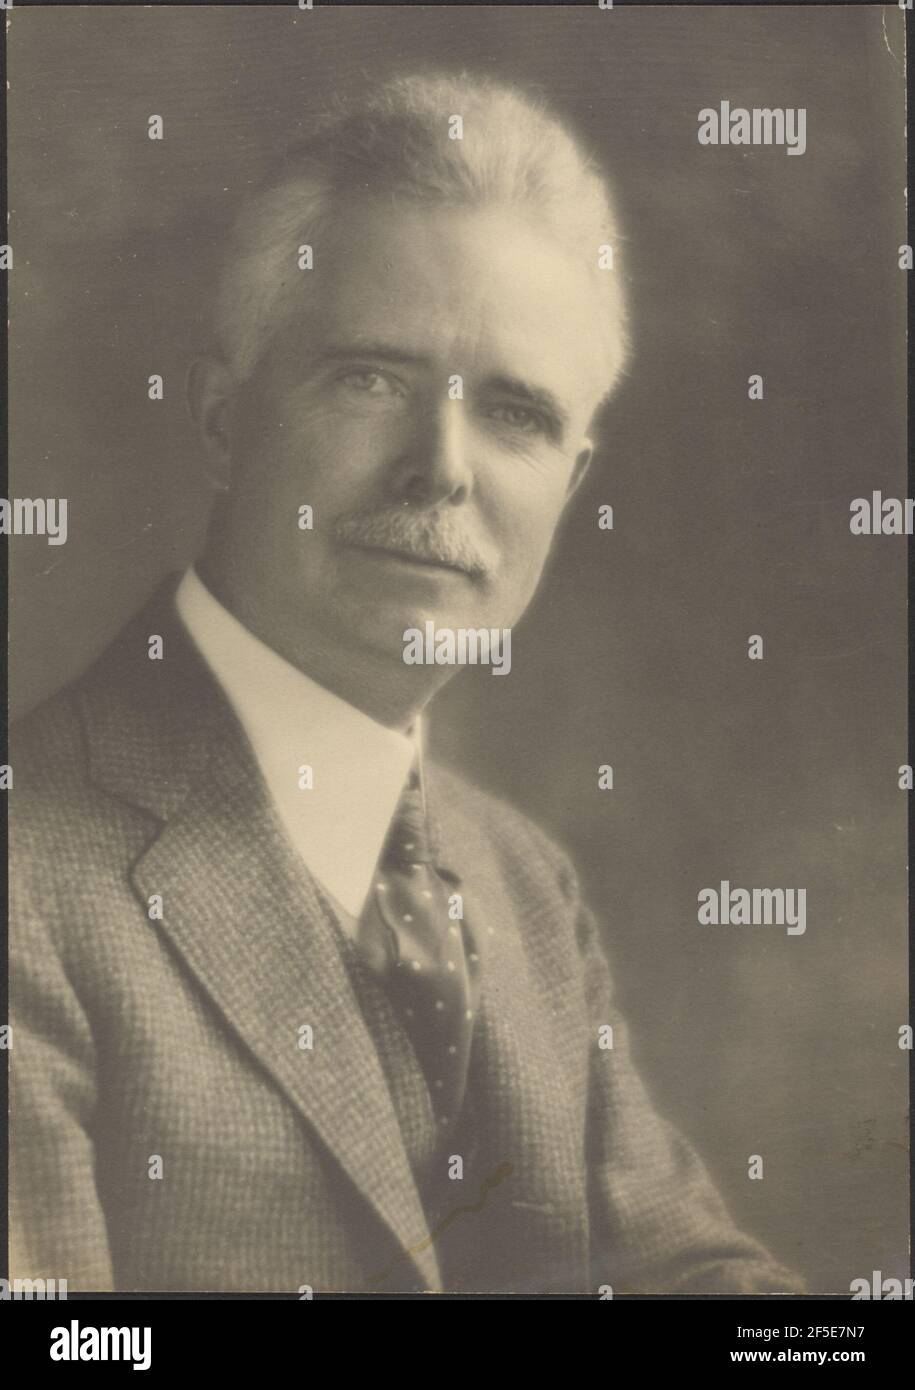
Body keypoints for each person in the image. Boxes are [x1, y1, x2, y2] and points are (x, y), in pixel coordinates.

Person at [9, 73, 803, 1294]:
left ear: (573, 482)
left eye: (516, 414)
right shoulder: (27, 874)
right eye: (372, 378)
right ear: (224, 417)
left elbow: (692, 1279)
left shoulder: (519, 878)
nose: (441, 470)